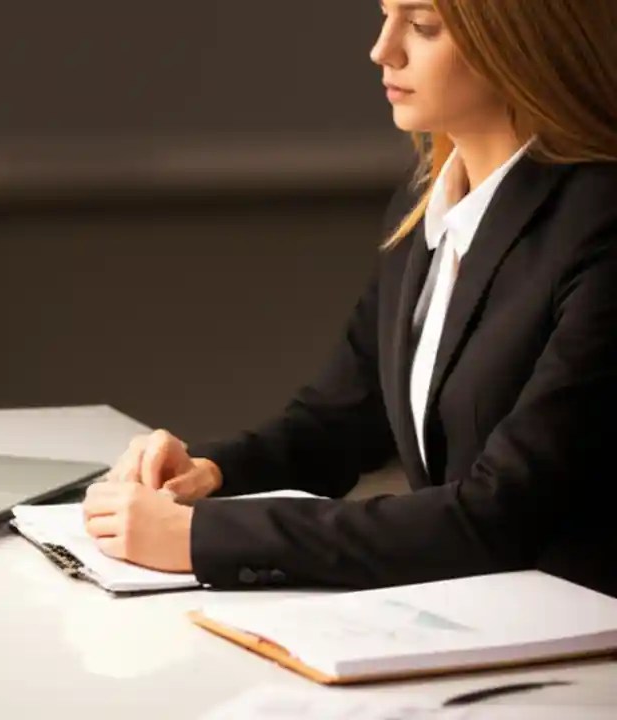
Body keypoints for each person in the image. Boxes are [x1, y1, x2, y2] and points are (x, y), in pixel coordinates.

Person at [82, 0, 617, 596]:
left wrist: (202, 537)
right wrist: (208, 474)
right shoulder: (425, 206)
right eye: (385, 16)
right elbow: (337, 422)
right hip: (485, 614)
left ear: (522, 42)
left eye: (421, 26)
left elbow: (502, 512)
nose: (382, 49)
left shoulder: (601, 223)